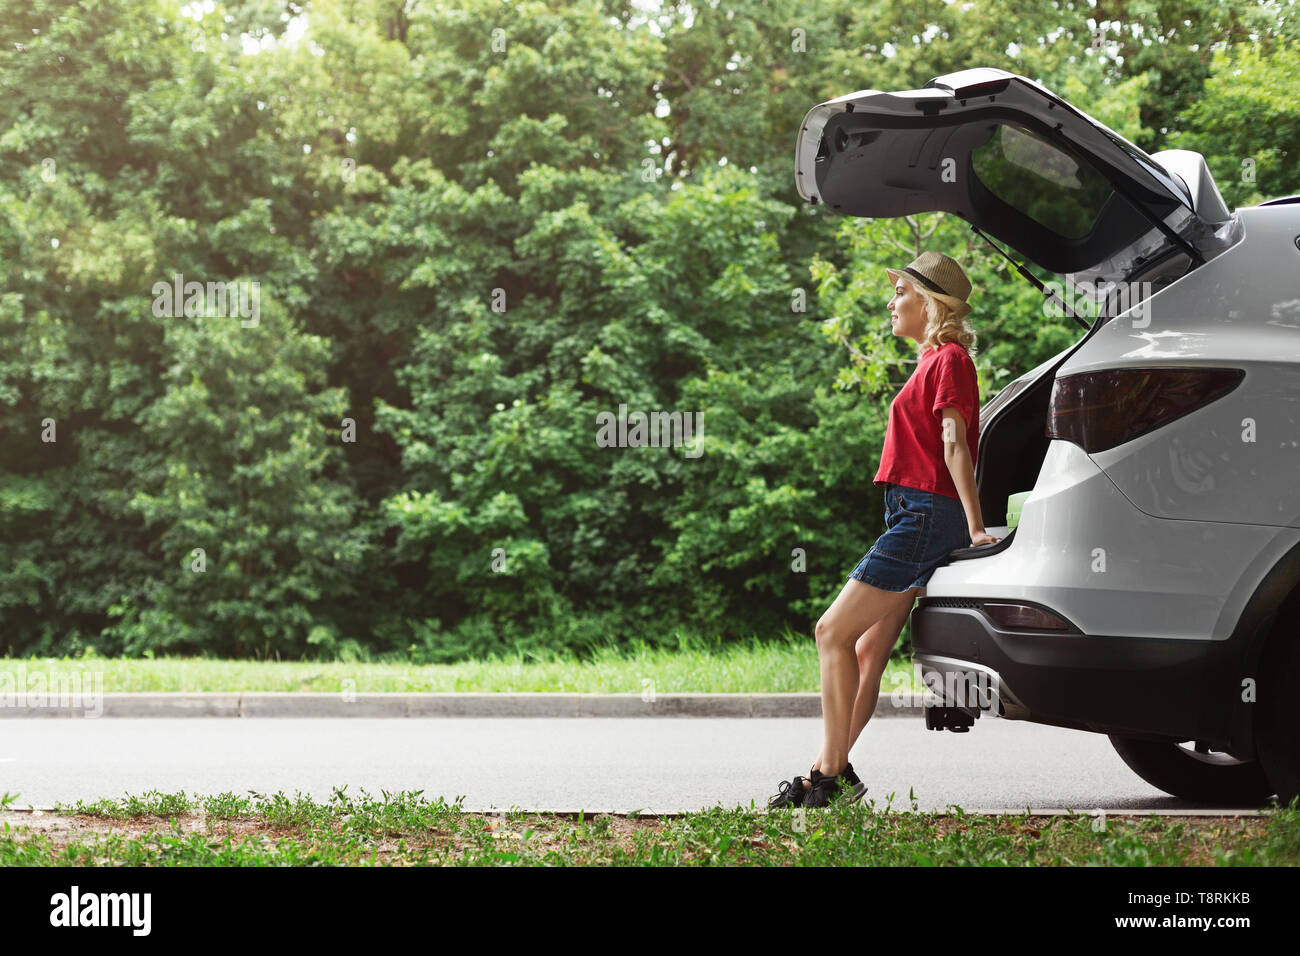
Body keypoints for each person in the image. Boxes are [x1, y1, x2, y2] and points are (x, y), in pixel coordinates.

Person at [768, 250, 1002, 810]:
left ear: (929, 301)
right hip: (913, 511)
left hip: (925, 513)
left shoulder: (950, 359)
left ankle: (827, 777)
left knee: (831, 632)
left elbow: (955, 444)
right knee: (869, 649)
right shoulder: (933, 362)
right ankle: (832, 774)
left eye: (900, 293)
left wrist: (973, 527)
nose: (890, 302)